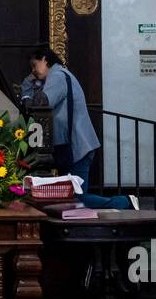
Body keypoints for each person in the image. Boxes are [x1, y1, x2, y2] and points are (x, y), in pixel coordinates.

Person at [21, 45, 132, 209]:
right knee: (72, 198)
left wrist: (27, 85)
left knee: (76, 198)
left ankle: (125, 203)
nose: (33, 71)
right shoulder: (57, 77)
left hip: (77, 148)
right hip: (73, 147)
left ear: (45, 59)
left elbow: (40, 103)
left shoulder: (57, 76)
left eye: (34, 65)